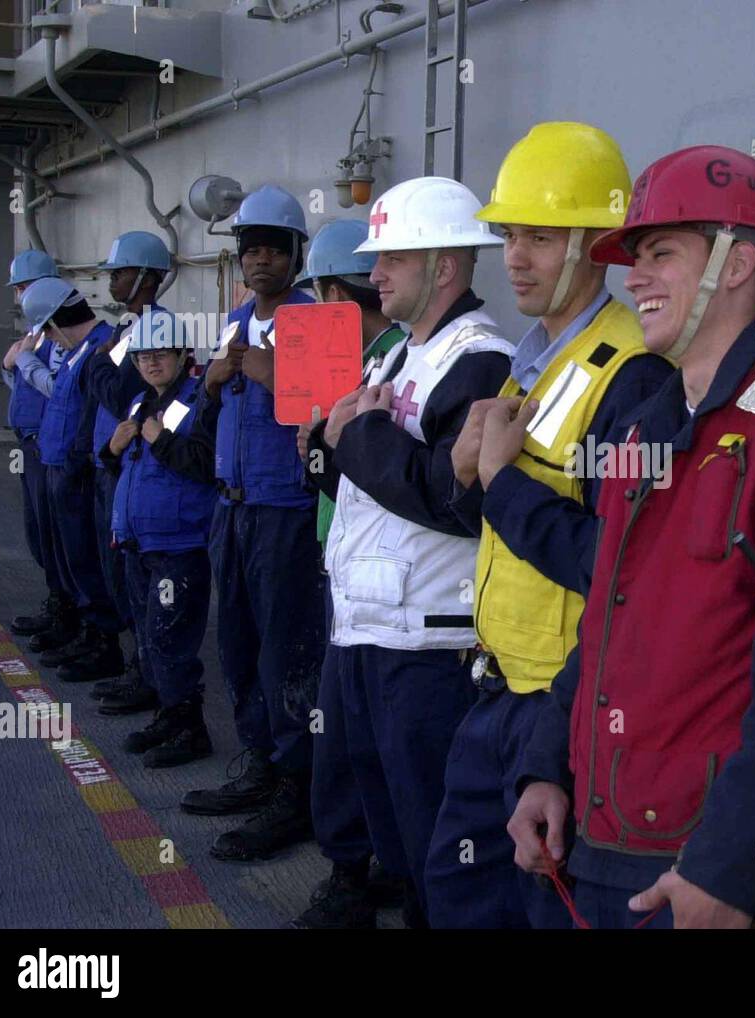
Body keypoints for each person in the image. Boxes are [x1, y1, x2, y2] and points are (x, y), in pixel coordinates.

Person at [505, 145, 755, 929]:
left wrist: (731, 870)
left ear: (739, 262)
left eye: (660, 255)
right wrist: (548, 767)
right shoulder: (648, 427)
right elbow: (605, 621)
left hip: (704, 875)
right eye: (633, 258)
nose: (634, 277)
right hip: (595, 848)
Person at [424, 122, 675, 928]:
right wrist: (468, 481)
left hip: (560, 704)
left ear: (598, 245)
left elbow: (617, 562)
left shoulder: (635, 373)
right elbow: (501, 525)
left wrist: (497, 483)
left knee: (537, 906)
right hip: (497, 685)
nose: (516, 258)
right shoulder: (533, 359)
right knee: (459, 892)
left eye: (541, 236)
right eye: (508, 236)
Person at [300, 178, 515, 928]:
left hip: (429, 648)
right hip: (367, 627)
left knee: (440, 847)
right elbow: (367, 471)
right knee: (393, 830)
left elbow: (458, 502)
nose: (375, 274)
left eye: (392, 258)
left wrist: (357, 436)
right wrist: (325, 449)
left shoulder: (481, 361)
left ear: (445, 267)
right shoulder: (397, 357)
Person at [180, 185, 325, 863]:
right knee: (236, 643)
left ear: (296, 254)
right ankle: (261, 763)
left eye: (274, 247)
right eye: (251, 248)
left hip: (286, 516)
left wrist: (278, 371)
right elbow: (209, 421)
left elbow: (331, 423)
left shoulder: (316, 323)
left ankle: (296, 788)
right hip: (231, 510)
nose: (261, 259)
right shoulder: (235, 320)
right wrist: (210, 386)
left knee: (286, 652)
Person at [289, 215, 411, 929]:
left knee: (354, 738)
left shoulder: (393, 361)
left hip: (383, 586)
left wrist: (329, 449)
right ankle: (361, 867)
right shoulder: (372, 361)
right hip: (352, 567)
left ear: (336, 291)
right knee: (348, 735)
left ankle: (358, 875)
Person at [100, 308, 217, 766]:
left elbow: (206, 465)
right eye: (143, 356)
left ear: (183, 356)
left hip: (178, 545)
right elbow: (126, 466)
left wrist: (159, 438)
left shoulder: (199, 401)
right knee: (149, 636)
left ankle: (190, 729)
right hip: (138, 542)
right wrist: (109, 451)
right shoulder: (139, 404)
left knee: (172, 639)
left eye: (160, 355)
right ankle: (169, 716)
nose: (150, 363)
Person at [78, 231, 172, 698]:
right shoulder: (123, 330)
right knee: (116, 571)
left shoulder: (155, 328)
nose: (113, 279)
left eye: (121, 271)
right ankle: (137, 664)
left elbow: (116, 396)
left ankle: (147, 674)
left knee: (135, 576)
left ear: (147, 278)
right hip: (109, 464)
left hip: (130, 471)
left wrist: (95, 365)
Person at [19, 278, 123, 679]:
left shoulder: (100, 347)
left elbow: (92, 414)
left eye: (46, 329)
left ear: (56, 322)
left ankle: (102, 641)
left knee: (87, 559)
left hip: (77, 471)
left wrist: (78, 464)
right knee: (69, 557)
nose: (48, 339)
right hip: (60, 465)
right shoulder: (78, 350)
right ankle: (83, 627)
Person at [1, 249, 66, 642]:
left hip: (48, 446)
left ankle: (65, 608)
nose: (21, 297)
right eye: (19, 289)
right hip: (28, 444)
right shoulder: (35, 334)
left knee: (55, 532)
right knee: (38, 530)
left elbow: (59, 390)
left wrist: (23, 362)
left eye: (25, 287)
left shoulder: (56, 334)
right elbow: (27, 385)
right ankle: (56, 600)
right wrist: (13, 368)